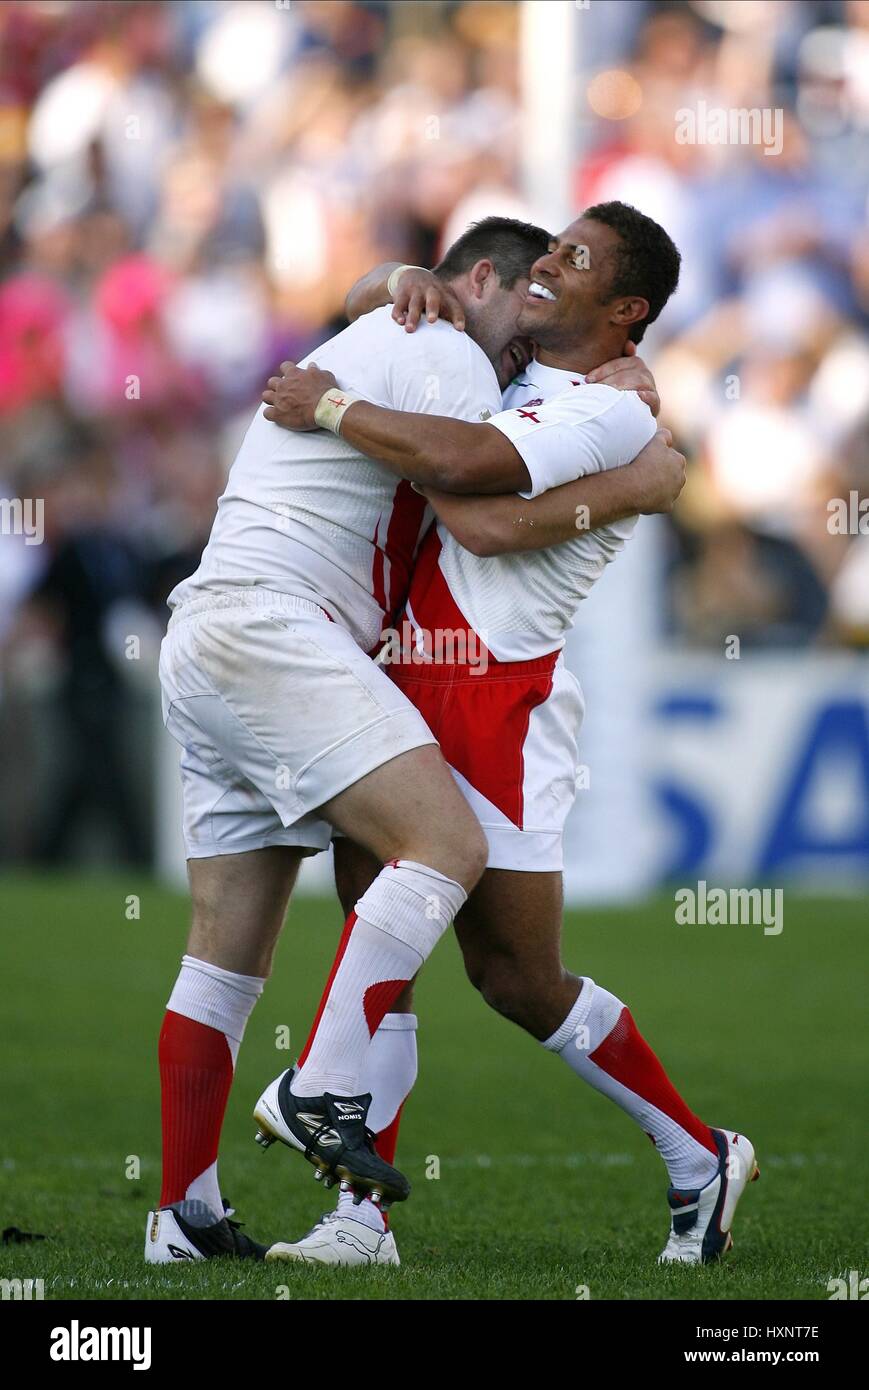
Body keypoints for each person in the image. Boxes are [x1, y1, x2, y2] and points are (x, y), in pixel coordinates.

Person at [147, 216, 681, 1263]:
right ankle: (318, 1090)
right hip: (277, 631)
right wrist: (646, 472)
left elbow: (367, 306)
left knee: (221, 960)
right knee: (443, 848)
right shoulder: (443, 351)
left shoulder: (405, 321)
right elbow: (475, 489)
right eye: (519, 294)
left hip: (213, 631)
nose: (520, 342)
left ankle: (183, 1216)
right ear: (474, 278)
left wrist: (384, 281)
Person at [260, 202, 757, 1270]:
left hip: (497, 699)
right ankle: (359, 1217)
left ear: (625, 310)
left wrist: (338, 408)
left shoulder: (616, 414)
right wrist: (406, 276)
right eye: (548, 245)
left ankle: (699, 1152)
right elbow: (361, 306)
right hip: (403, 670)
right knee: (373, 938)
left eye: (574, 257)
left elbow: (480, 513)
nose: (546, 262)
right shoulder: (517, 358)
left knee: (517, 979)